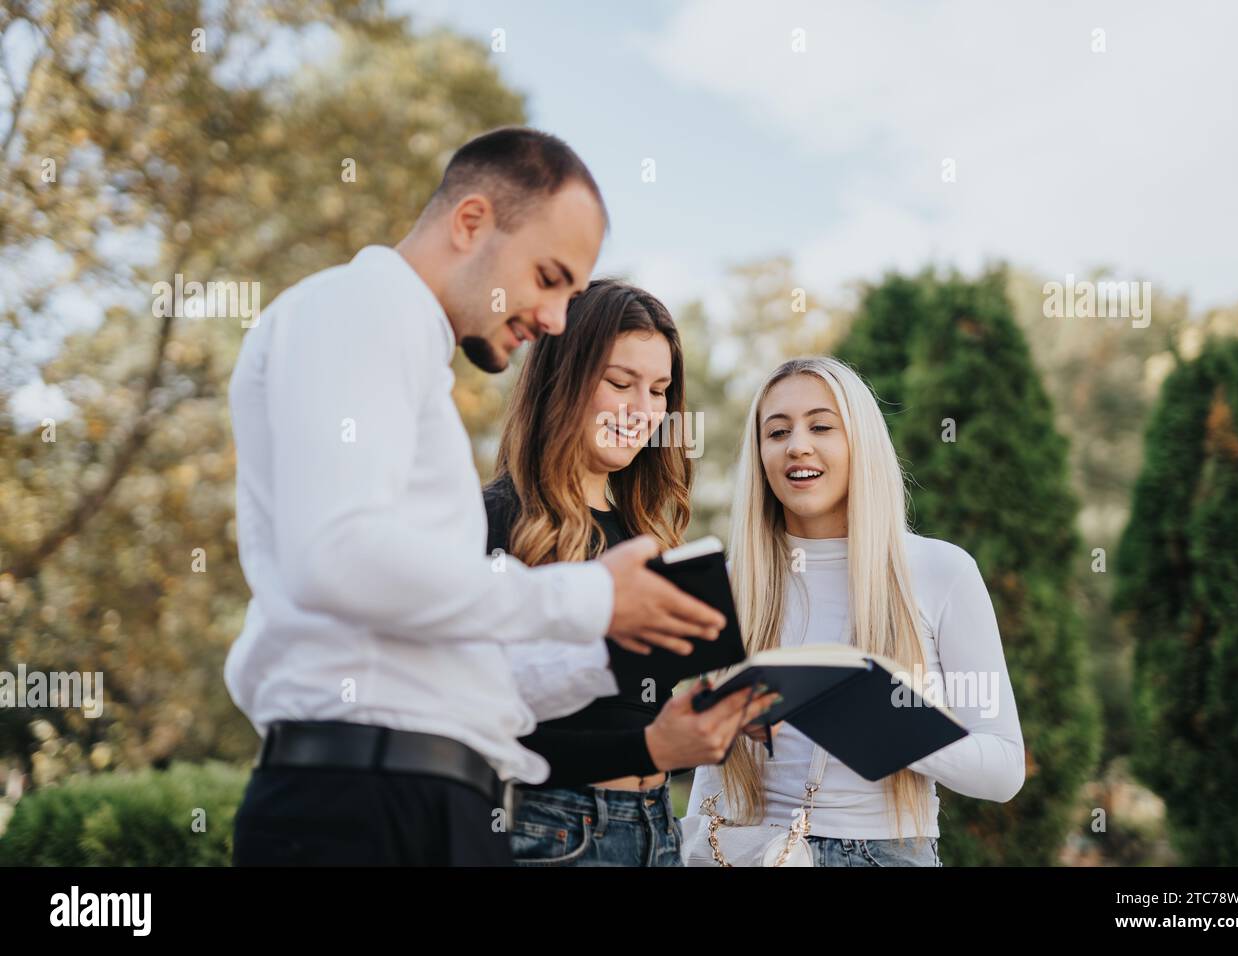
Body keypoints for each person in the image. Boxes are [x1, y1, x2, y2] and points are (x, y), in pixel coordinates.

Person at [224, 126, 725, 866]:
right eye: (548, 277)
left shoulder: (417, 369)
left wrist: (611, 639)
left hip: (430, 803)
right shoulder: (357, 307)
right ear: (471, 223)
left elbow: (460, 664)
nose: (555, 319)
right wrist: (585, 598)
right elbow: (337, 556)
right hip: (364, 803)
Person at [482, 278, 779, 866]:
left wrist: (710, 719)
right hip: (551, 833)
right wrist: (648, 747)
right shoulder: (493, 522)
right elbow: (481, 729)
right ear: (561, 380)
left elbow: (638, 712)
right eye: (620, 383)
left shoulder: (647, 541)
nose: (643, 411)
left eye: (659, 390)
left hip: (656, 830)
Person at [685, 356, 1026, 867]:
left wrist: (877, 723)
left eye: (821, 425)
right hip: (752, 850)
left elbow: (1003, 769)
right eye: (777, 432)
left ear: (860, 442)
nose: (798, 444)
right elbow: (713, 776)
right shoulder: (734, 582)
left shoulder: (940, 571)